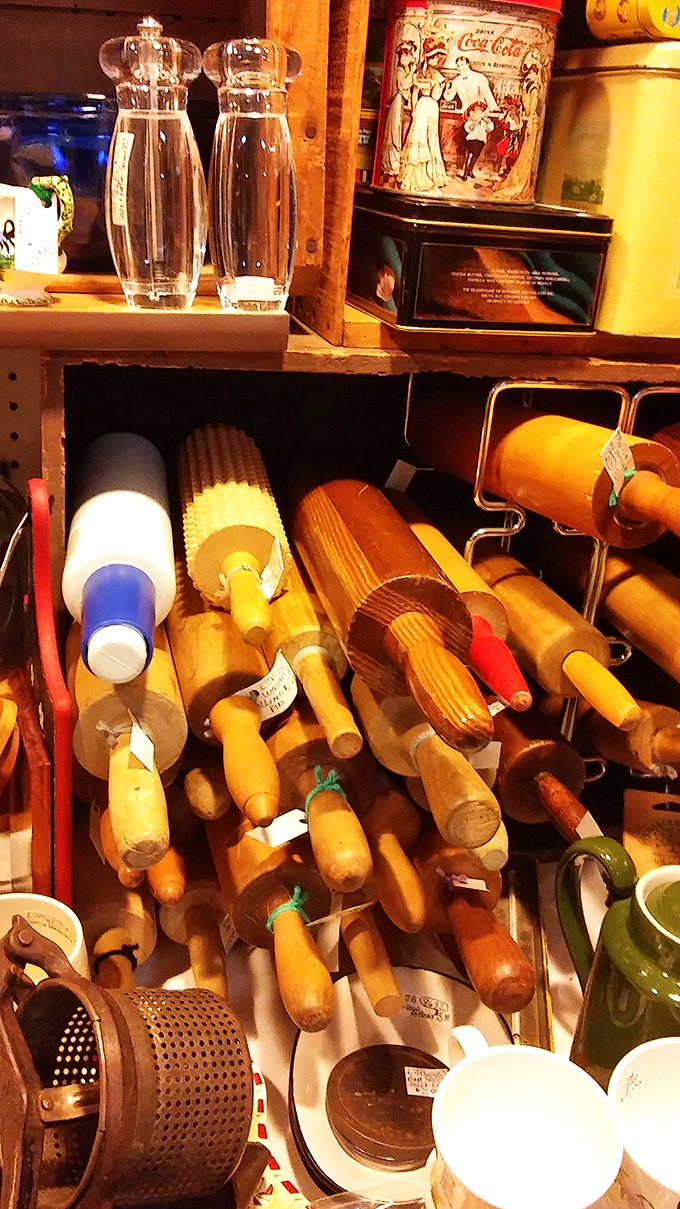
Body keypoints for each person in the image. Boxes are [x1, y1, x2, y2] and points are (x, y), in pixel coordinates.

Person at [398, 36, 448, 194]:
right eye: (436, 57)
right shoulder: (430, 75)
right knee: (423, 137)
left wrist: (414, 109)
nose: (438, 60)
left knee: (426, 137)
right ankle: (423, 175)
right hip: (427, 106)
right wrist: (441, 86)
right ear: (431, 57)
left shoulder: (425, 74)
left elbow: (415, 95)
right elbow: (434, 96)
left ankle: (427, 174)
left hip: (424, 107)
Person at [380, 39, 417, 186]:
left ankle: (394, 167)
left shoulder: (406, 70)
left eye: (408, 55)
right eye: (404, 55)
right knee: (394, 134)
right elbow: (403, 85)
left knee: (398, 133)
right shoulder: (400, 70)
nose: (407, 58)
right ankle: (390, 167)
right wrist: (413, 72)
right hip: (397, 102)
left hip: (402, 102)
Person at [461, 101, 495, 181]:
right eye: (477, 110)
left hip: (480, 140)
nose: (479, 112)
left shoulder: (484, 122)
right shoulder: (470, 122)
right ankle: (465, 173)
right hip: (471, 140)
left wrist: (486, 120)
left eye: (481, 110)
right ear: (472, 112)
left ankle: (470, 170)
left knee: (475, 156)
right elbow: (469, 129)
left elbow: (490, 128)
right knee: (470, 155)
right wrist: (476, 121)